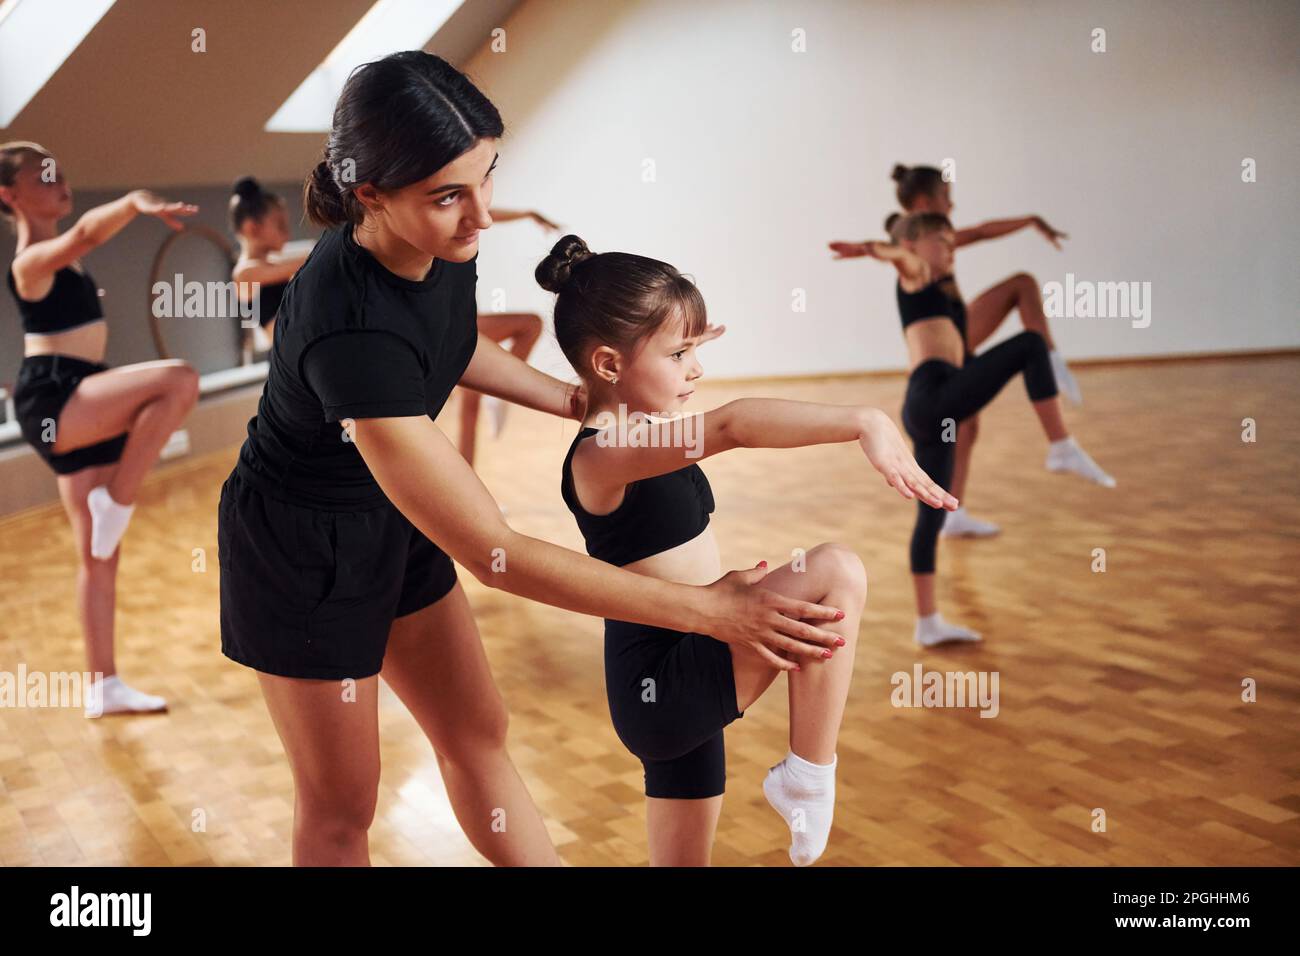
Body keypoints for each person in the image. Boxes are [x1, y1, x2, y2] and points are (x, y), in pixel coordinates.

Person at [217, 51, 845, 866]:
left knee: (477, 732)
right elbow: (496, 555)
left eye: (486, 177)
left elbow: (444, 343)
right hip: (302, 552)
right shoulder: (352, 332)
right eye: (450, 195)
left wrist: (566, 397)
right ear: (368, 193)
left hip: (387, 515)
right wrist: (710, 612)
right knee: (344, 805)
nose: (481, 215)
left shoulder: (438, 241)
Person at [542, 233, 955, 865]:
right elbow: (733, 425)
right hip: (661, 680)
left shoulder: (643, 431)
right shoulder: (600, 457)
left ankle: (804, 777)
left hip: (696, 649)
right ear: (606, 365)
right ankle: (807, 776)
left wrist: (678, 344)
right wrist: (863, 420)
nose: (696, 369)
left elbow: (683, 405)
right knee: (835, 571)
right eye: (679, 355)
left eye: (696, 350)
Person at [831, 212, 1114, 646]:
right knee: (1030, 345)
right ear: (913, 246)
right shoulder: (916, 274)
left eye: (950, 240)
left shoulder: (943, 286)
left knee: (931, 515)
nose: (949, 248)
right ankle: (1060, 445)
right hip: (935, 393)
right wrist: (871, 248)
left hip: (934, 407)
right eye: (940, 241)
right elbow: (899, 257)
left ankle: (927, 623)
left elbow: (976, 233)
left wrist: (1028, 221)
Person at [0, 140, 200, 715]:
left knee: (97, 558)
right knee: (179, 380)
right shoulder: (30, 263)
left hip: (87, 392)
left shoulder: (66, 260)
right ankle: (119, 498)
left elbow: (80, 242)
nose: (58, 181)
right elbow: (85, 234)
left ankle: (102, 686)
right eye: (42, 176)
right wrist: (133, 202)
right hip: (54, 398)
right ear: (10, 196)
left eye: (59, 171)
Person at [888, 163, 1081, 538]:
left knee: (967, 423)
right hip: (946, 343)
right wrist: (1028, 221)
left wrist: (1027, 221)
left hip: (955, 331)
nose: (952, 205)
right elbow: (977, 231)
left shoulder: (932, 235)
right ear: (926, 202)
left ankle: (950, 510)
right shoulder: (913, 242)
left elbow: (978, 231)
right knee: (1021, 285)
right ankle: (1051, 363)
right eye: (947, 197)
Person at [229, 176, 313, 354]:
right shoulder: (244, 273)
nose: (287, 234)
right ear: (253, 228)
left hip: (299, 347)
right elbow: (301, 265)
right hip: (283, 354)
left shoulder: (272, 265)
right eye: (281, 226)